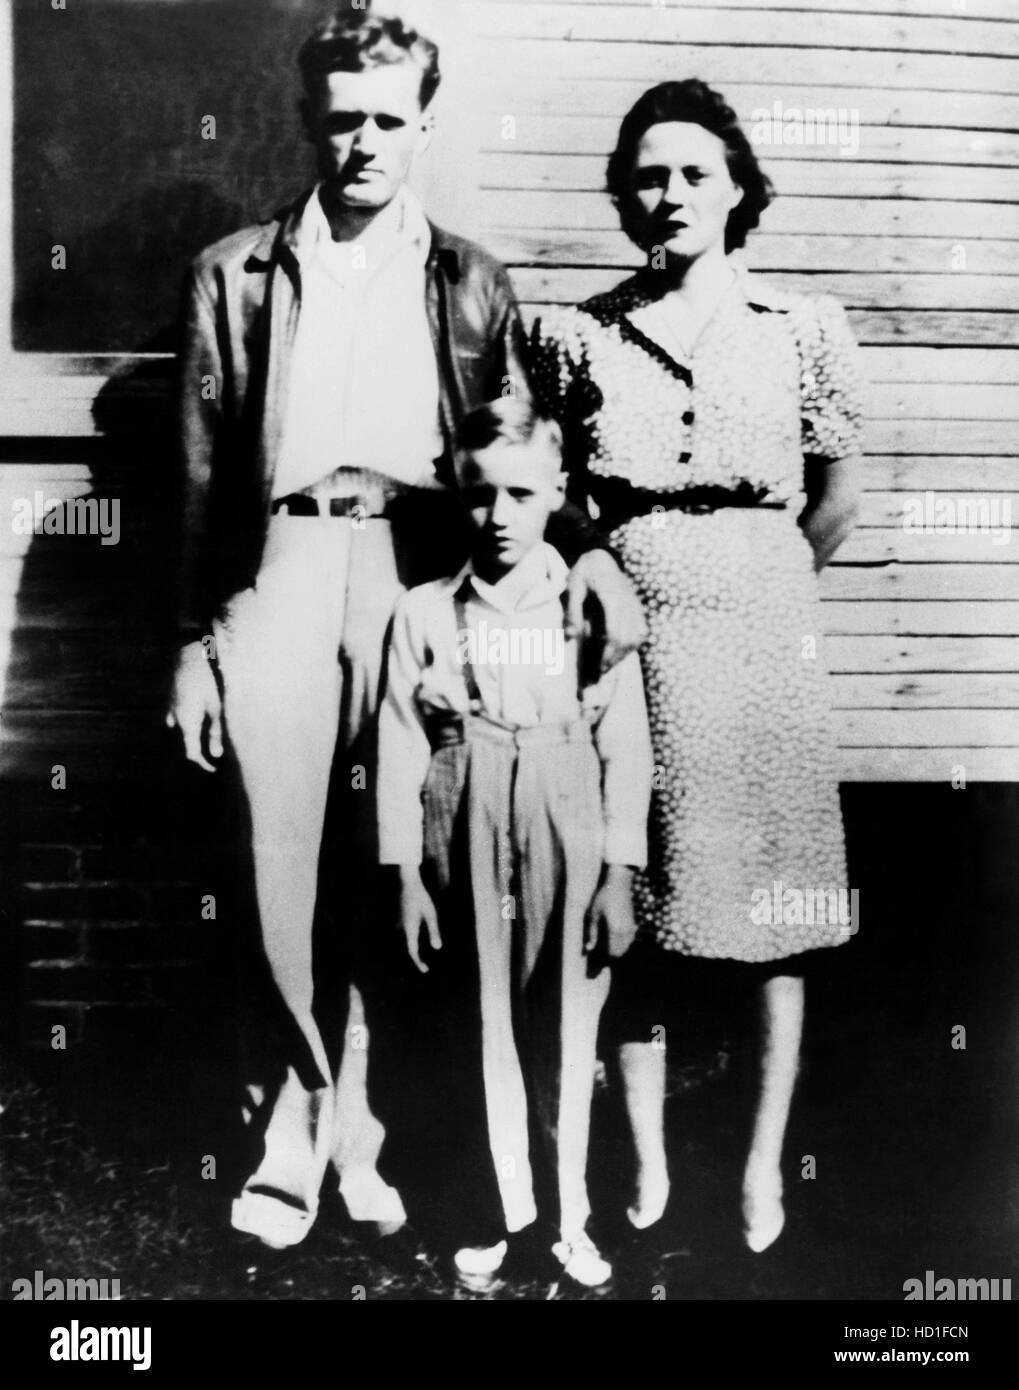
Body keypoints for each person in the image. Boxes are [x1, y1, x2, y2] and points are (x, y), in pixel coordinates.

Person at [165, 11, 644, 1260]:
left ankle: (367, 1129)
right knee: (275, 866)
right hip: (274, 567)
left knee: (389, 865)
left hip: (411, 575)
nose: (363, 141)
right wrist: (190, 639)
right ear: (307, 123)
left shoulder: (470, 278)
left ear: (423, 123)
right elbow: (200, 468)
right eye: (340, 119)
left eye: (387, 118)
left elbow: (523, 447)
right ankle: (293, 1119)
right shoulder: (235, 271)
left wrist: (584, 550)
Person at [530, 79, 864, 1255]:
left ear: (737, 191)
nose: (665, 194)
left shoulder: (800, 326)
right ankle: (649, 1161)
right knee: (639, 895)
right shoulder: (571, 332)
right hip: (629, 641)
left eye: (691, 173)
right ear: (623, 192)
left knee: (775, 908)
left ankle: (763, 1167)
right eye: (646, 174)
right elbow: (540, 496)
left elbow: (834, 497)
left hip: (764, 638)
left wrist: (759, 577)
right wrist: (597, 560)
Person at [376, 399, 652, 1289]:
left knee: (569, 1023)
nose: (496, 517)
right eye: (476, 495)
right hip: (465, 817)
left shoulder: (589, 614)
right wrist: (405, 874)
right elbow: (396, 745)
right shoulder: (423, 612)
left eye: (519, 495)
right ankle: (502, 1213)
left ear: (557, 496)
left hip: (564, 809)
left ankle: (569, 1216)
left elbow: (626, 745)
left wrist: (618, 870)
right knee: (481, 1016)